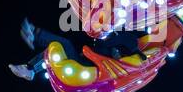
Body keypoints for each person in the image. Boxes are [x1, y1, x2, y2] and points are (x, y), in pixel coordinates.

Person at [8, 19, 148, 81]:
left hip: (89, 67)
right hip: (86, 62)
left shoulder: (126, 39)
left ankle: (34, 35)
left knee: (63, 44)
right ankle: (30, 68)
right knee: (55, 48)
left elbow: (132, 46)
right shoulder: (108, 38)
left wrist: (136, 52)